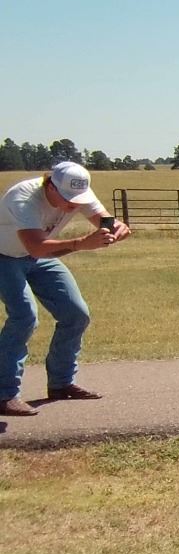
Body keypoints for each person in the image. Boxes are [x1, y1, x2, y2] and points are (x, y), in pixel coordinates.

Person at [0, 161, 131, 417]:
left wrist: (116, 228)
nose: (73, 204)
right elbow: (36, 247)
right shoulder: (23, 197)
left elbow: (104, 220)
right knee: (24, 317)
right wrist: (81, 243)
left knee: (75, 314)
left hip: (38, 258)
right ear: (49, 184)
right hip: (5, 257)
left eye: (78, 198)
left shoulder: (79, 192)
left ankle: (61, 383)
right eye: (67, 197)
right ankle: (4, 393)